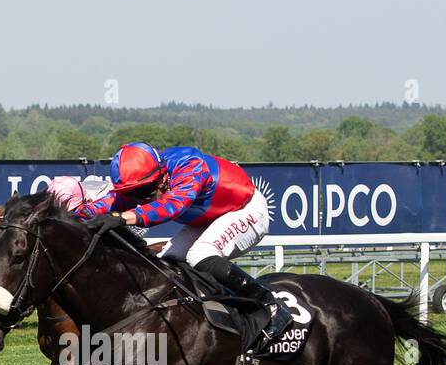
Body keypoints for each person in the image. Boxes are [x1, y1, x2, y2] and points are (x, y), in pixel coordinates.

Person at [77, 142, 291, 346]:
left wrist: (123, 218)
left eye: (143, 193)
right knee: (164, 261)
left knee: (200, 253)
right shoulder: (149, 180)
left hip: (246, 209)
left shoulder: (189, 165)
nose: (139, 200)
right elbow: (111, 203)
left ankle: (270, 305)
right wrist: (72, 216)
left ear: (160, 178)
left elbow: (173, 206)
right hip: (210, 219)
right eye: (133, 194)